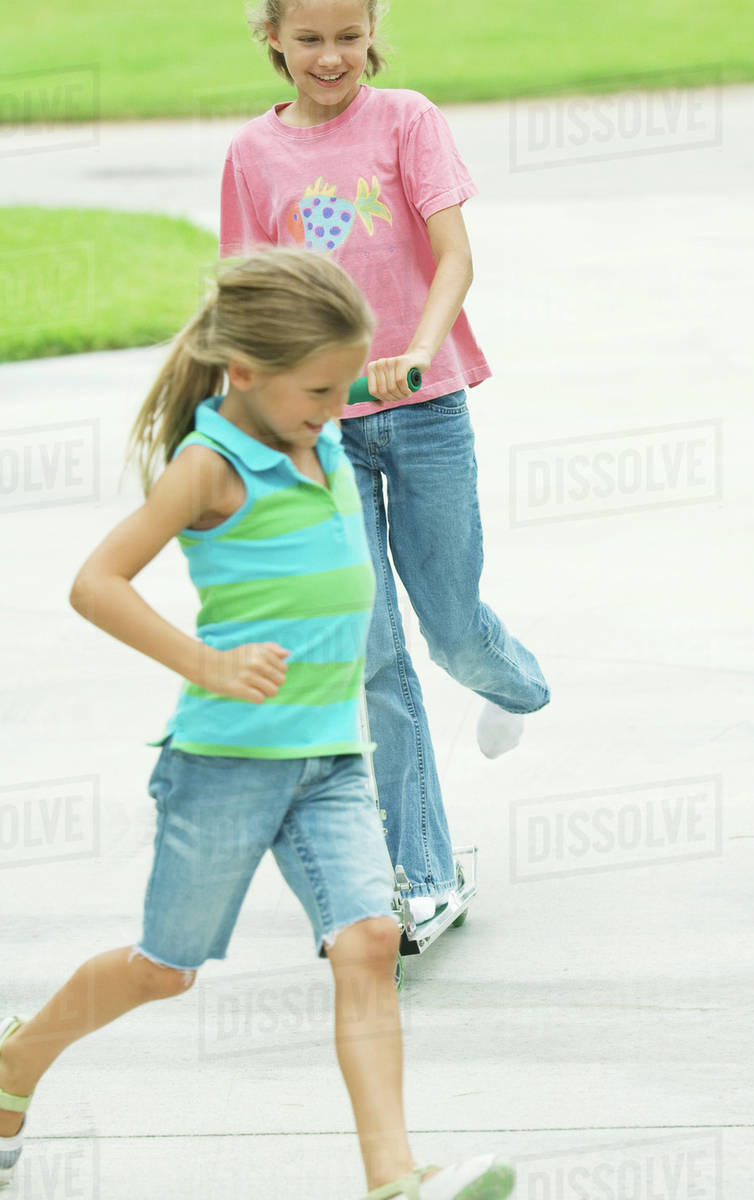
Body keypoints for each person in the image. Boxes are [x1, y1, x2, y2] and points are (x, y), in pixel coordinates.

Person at [0, 250, 515, 1200]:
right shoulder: (209, 466)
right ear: (244, 373)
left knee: (369, 940)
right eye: (319, 391)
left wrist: (388, 370)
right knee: (164, 971)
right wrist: (206, 665)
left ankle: (394, 1177)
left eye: (340, 384)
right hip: (226, 765)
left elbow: (349, 381)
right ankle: (12, 1066)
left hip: (330, 757)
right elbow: (95, 583)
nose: (334, 407)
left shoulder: (310, 418)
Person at [220, 0, 551, 924]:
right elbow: (252, 296)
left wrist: (417, 350)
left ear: (372, 33)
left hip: (425, 405)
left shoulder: (407, 119)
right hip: (321, 428)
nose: (331, 57)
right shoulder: (251, 154)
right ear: (273, 38)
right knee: (372, 653)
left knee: (451, 627)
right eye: (310, 39)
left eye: (348, 36)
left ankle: (515, 686)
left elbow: (453, 256)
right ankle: (422, 875)